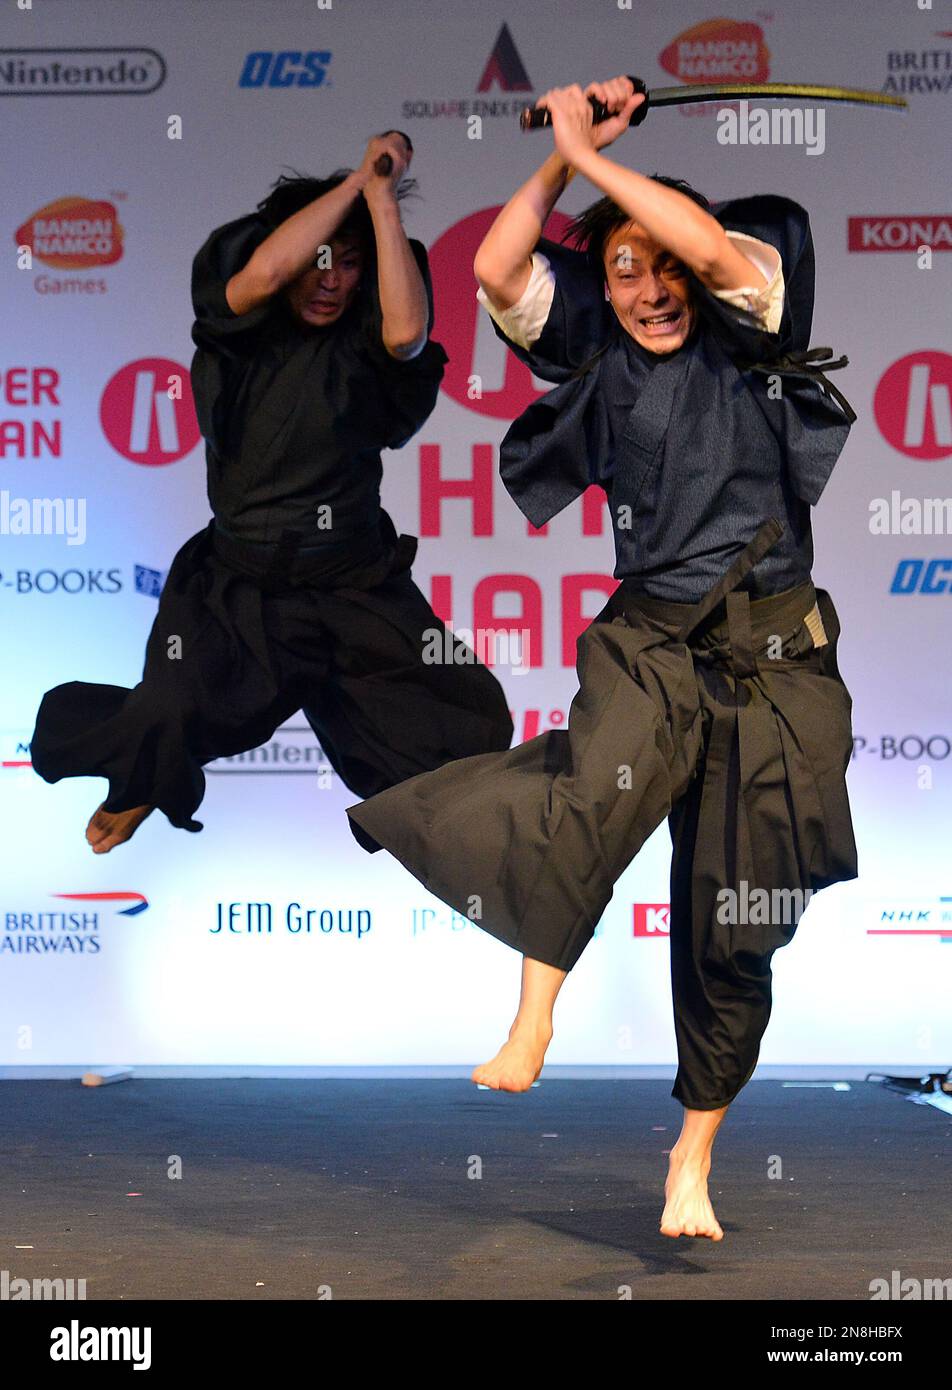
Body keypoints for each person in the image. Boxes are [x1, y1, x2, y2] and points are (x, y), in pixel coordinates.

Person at [347, 84, 859, 1239]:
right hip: (652, 643)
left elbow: (703, 244)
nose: (649, 288)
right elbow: (499, 272)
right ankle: (534, 1020)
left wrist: (596, 155)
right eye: (622, 271)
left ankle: (691, 1157)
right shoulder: (594, 341)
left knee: (733, 922)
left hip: (775, 664)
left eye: (661, 265)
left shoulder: (752, 305)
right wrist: (562, 169)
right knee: (586, 794)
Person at [30, 130, 513, 852]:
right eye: (318, 263)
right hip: (239, 584)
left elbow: (408, 335)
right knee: (166, 712)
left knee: (463, 725)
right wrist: (355, 181)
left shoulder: (366, 345)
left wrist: (382, 202)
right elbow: (259, 275)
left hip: (354, 583)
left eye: (350, 267)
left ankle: (466, 857)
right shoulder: (240, 330)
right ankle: (142, 782)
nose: (331, 280)